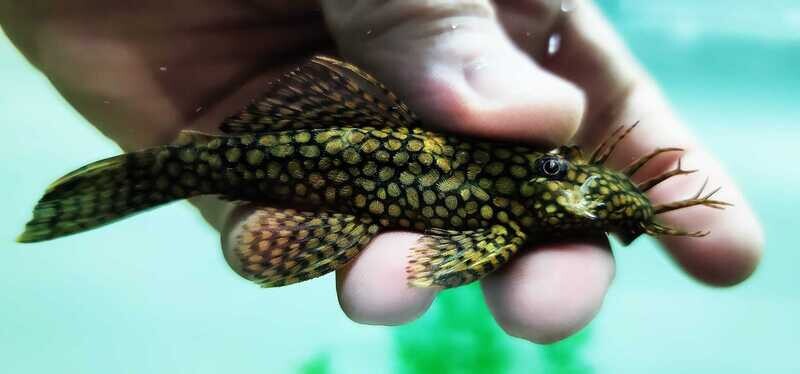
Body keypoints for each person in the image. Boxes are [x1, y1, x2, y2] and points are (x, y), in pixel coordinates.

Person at [0, 0, 763, 343]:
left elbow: (448, 251)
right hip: (336, 144)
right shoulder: (533, 188)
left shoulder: (537, 196)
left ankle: (142, 181)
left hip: (318, 155)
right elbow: (452, 251)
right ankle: (142, 181)